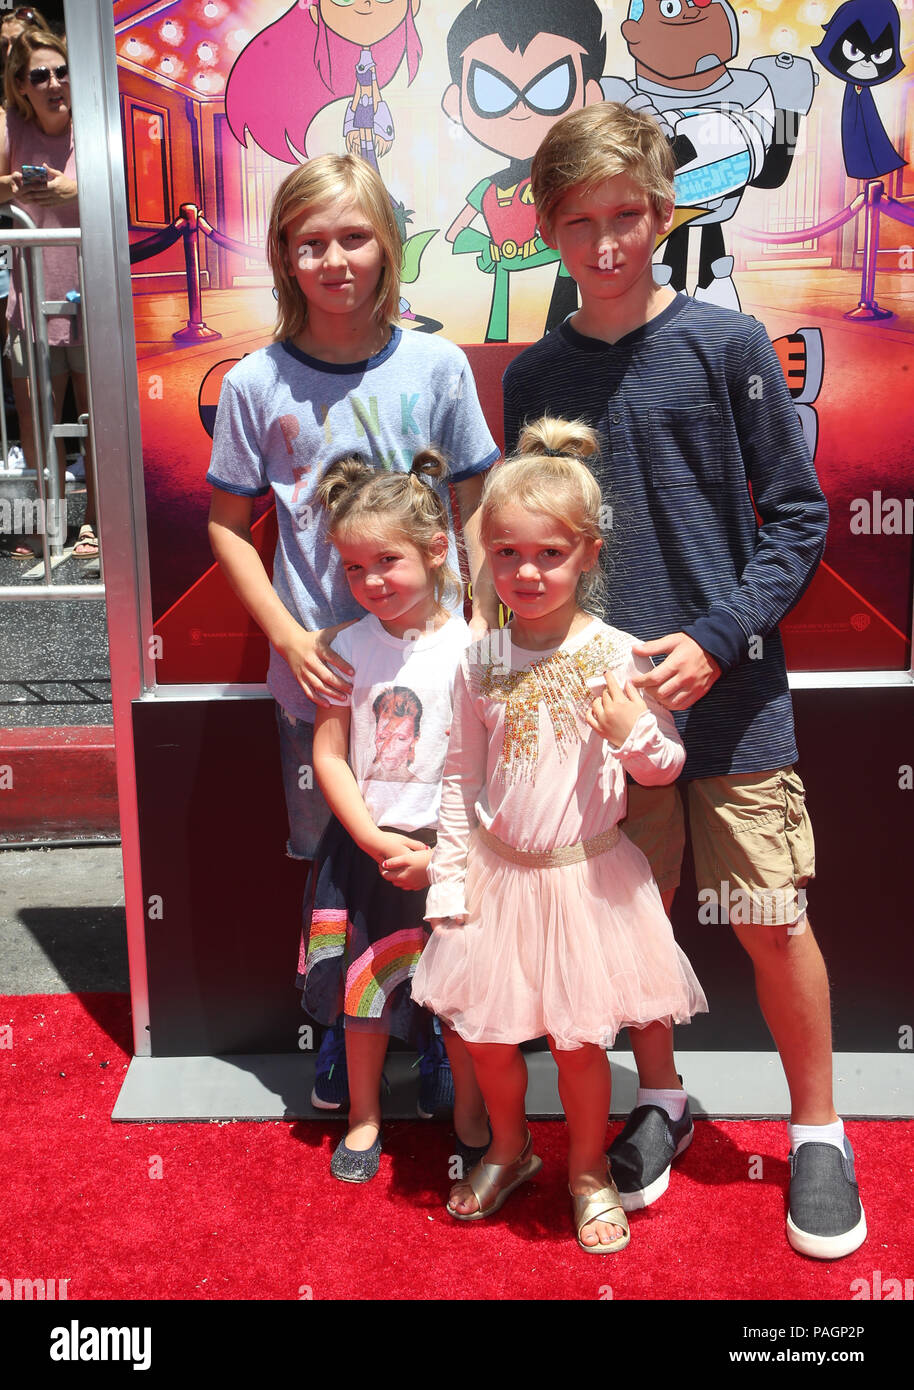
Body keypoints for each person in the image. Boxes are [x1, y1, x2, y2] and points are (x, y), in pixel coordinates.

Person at [500, 102, 864, 1260]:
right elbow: (539, 544)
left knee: (767, 917)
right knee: (629, 931)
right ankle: (659, 1097)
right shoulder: (534, 377)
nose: (604, 244)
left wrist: (713, 639)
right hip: (600, 720)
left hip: (734, 696)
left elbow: (796, 518)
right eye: (579, 222)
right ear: (548, 230)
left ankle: (817, 1129)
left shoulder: (727, 346)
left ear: (662, 215)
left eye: (624, 218)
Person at [206, 152, 499, 1125]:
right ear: (284, 256)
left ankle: (443, 1024)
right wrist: (288, 634)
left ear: (388, 247)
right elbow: (224, 521)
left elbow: (473, 501)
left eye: (352, 237)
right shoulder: (255, 382)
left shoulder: (437, 364)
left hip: (436, 681)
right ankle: (342, 1020)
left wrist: (475, 623)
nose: (332, 259)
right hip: (322, 689)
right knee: (337, 863)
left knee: (450, 860)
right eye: (309, 241)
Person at [411, 418, 707, 1252]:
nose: (527, 572)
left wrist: (630, 730)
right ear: (485, 560)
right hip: (498, 881)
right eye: (507, 554)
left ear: (589, 554)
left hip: (587, 880)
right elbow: (460, 781)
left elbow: (663, 770)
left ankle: (586, 1170)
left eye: (548, 553)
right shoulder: (478, 659)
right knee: (488, 1038)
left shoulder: (619, 655)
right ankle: (511, 1149)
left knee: (581, 1046)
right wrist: (449, 885)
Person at [299, 450, 472, 1180]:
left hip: (452, 855)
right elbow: (330, 754)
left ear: (436, 551)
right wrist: (372, 838)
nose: (370, 583)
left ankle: (470, 1113)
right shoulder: (342, 648)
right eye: (353, 569)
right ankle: (364, 1119)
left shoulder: (476, 648)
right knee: (364, 996)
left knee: (462, 1000)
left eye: (387, 563)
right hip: (365, 852)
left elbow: (489, 767)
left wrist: (442, 854)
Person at [0, 27, 97, 558]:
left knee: (95, 425)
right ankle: (43, 527)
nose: (55, 82)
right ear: (21, 86)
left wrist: (75, 189)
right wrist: (12, 185)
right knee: (37, 428)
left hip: (92, 300)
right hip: (30, 304)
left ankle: (96, 528)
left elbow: (122, 184)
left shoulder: (95, 127)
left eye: (62, 71)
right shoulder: (11, 125)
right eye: (40, 75)